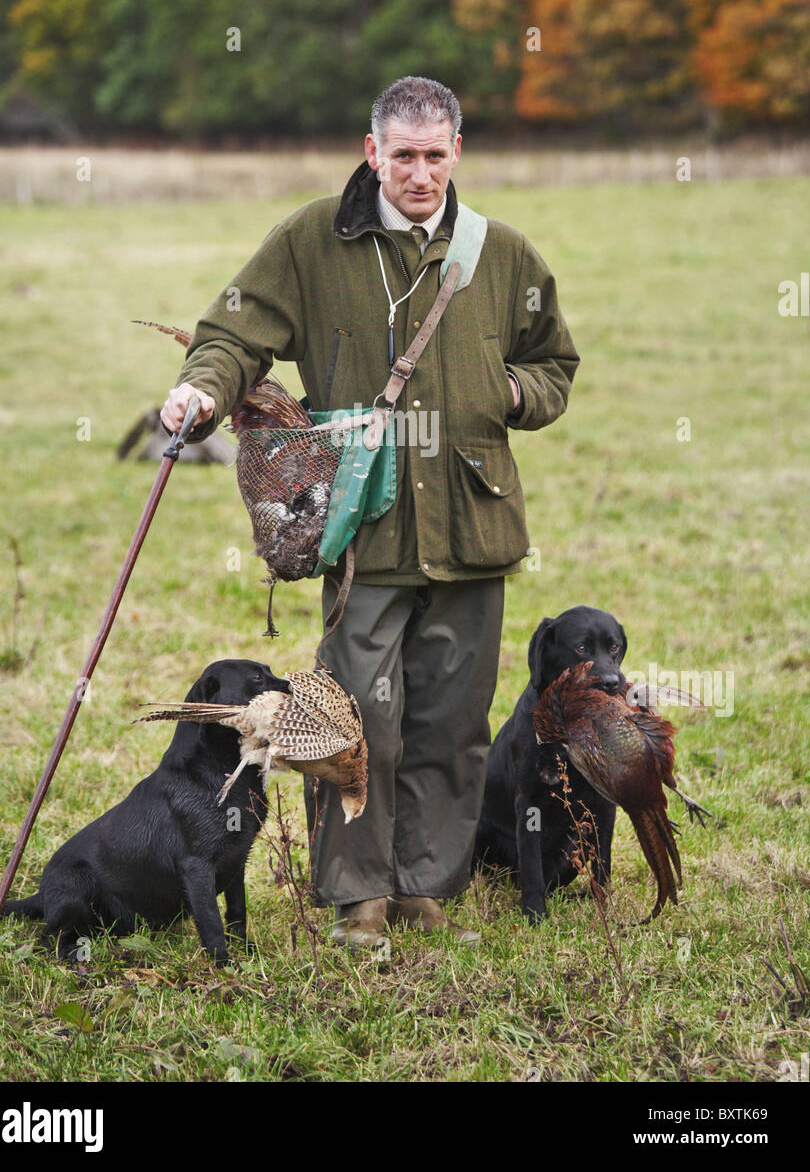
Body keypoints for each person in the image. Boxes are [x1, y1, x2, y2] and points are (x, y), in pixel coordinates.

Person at [161, 76, 579, 950]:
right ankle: (360, 897)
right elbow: (234, 333)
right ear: (372, 152)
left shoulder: (499, 253)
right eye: (403, 156)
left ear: (457, 153)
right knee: (355, 721)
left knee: (453, 724)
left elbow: (554, 363)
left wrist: (507, 388)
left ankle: (426, 887)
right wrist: (200, 391)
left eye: (435, 156)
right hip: (364, 528)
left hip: (473, 523)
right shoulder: (312, 240)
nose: (419, 174)